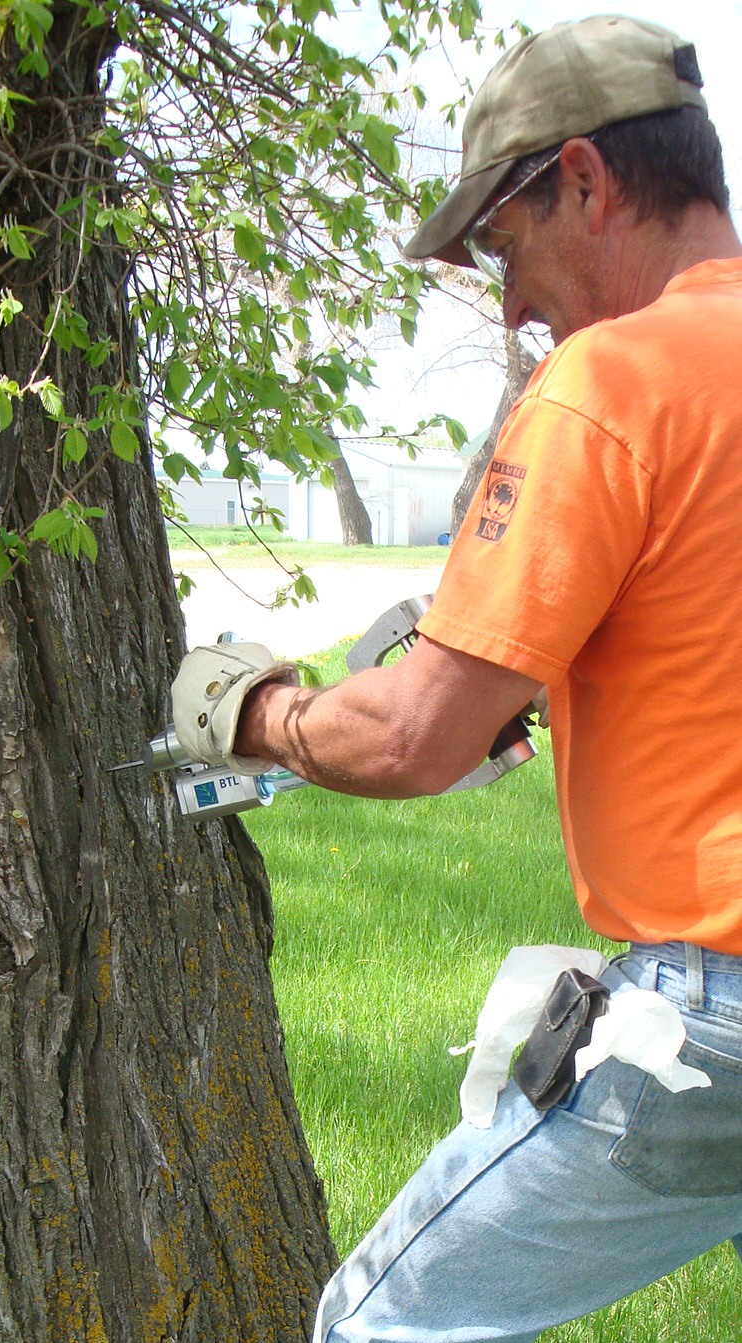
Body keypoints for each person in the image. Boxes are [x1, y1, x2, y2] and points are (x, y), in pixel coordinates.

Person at [170, 14, 742, 1341]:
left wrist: (256, 712)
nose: (510, 304)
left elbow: (414, 738)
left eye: (508, 245)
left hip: (719, 1016)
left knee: (382, 1324)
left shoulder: (618, 382)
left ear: (587, 182)